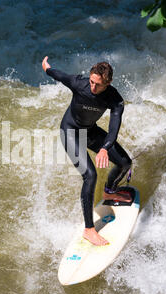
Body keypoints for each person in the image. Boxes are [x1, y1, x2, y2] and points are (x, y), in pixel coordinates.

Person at [42, 56, 132, 246]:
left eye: (98, 85)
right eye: (91, 82)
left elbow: (114, 126)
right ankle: (89, 230)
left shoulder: (115, 100)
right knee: (90, 175)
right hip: (71, 132)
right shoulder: (79, 84)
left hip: (90, 131)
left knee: (125, 163)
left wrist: (105, 149)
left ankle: (110, 192)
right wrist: (47, 68)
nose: (93, 87)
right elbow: (60, 75)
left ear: (108, 83)